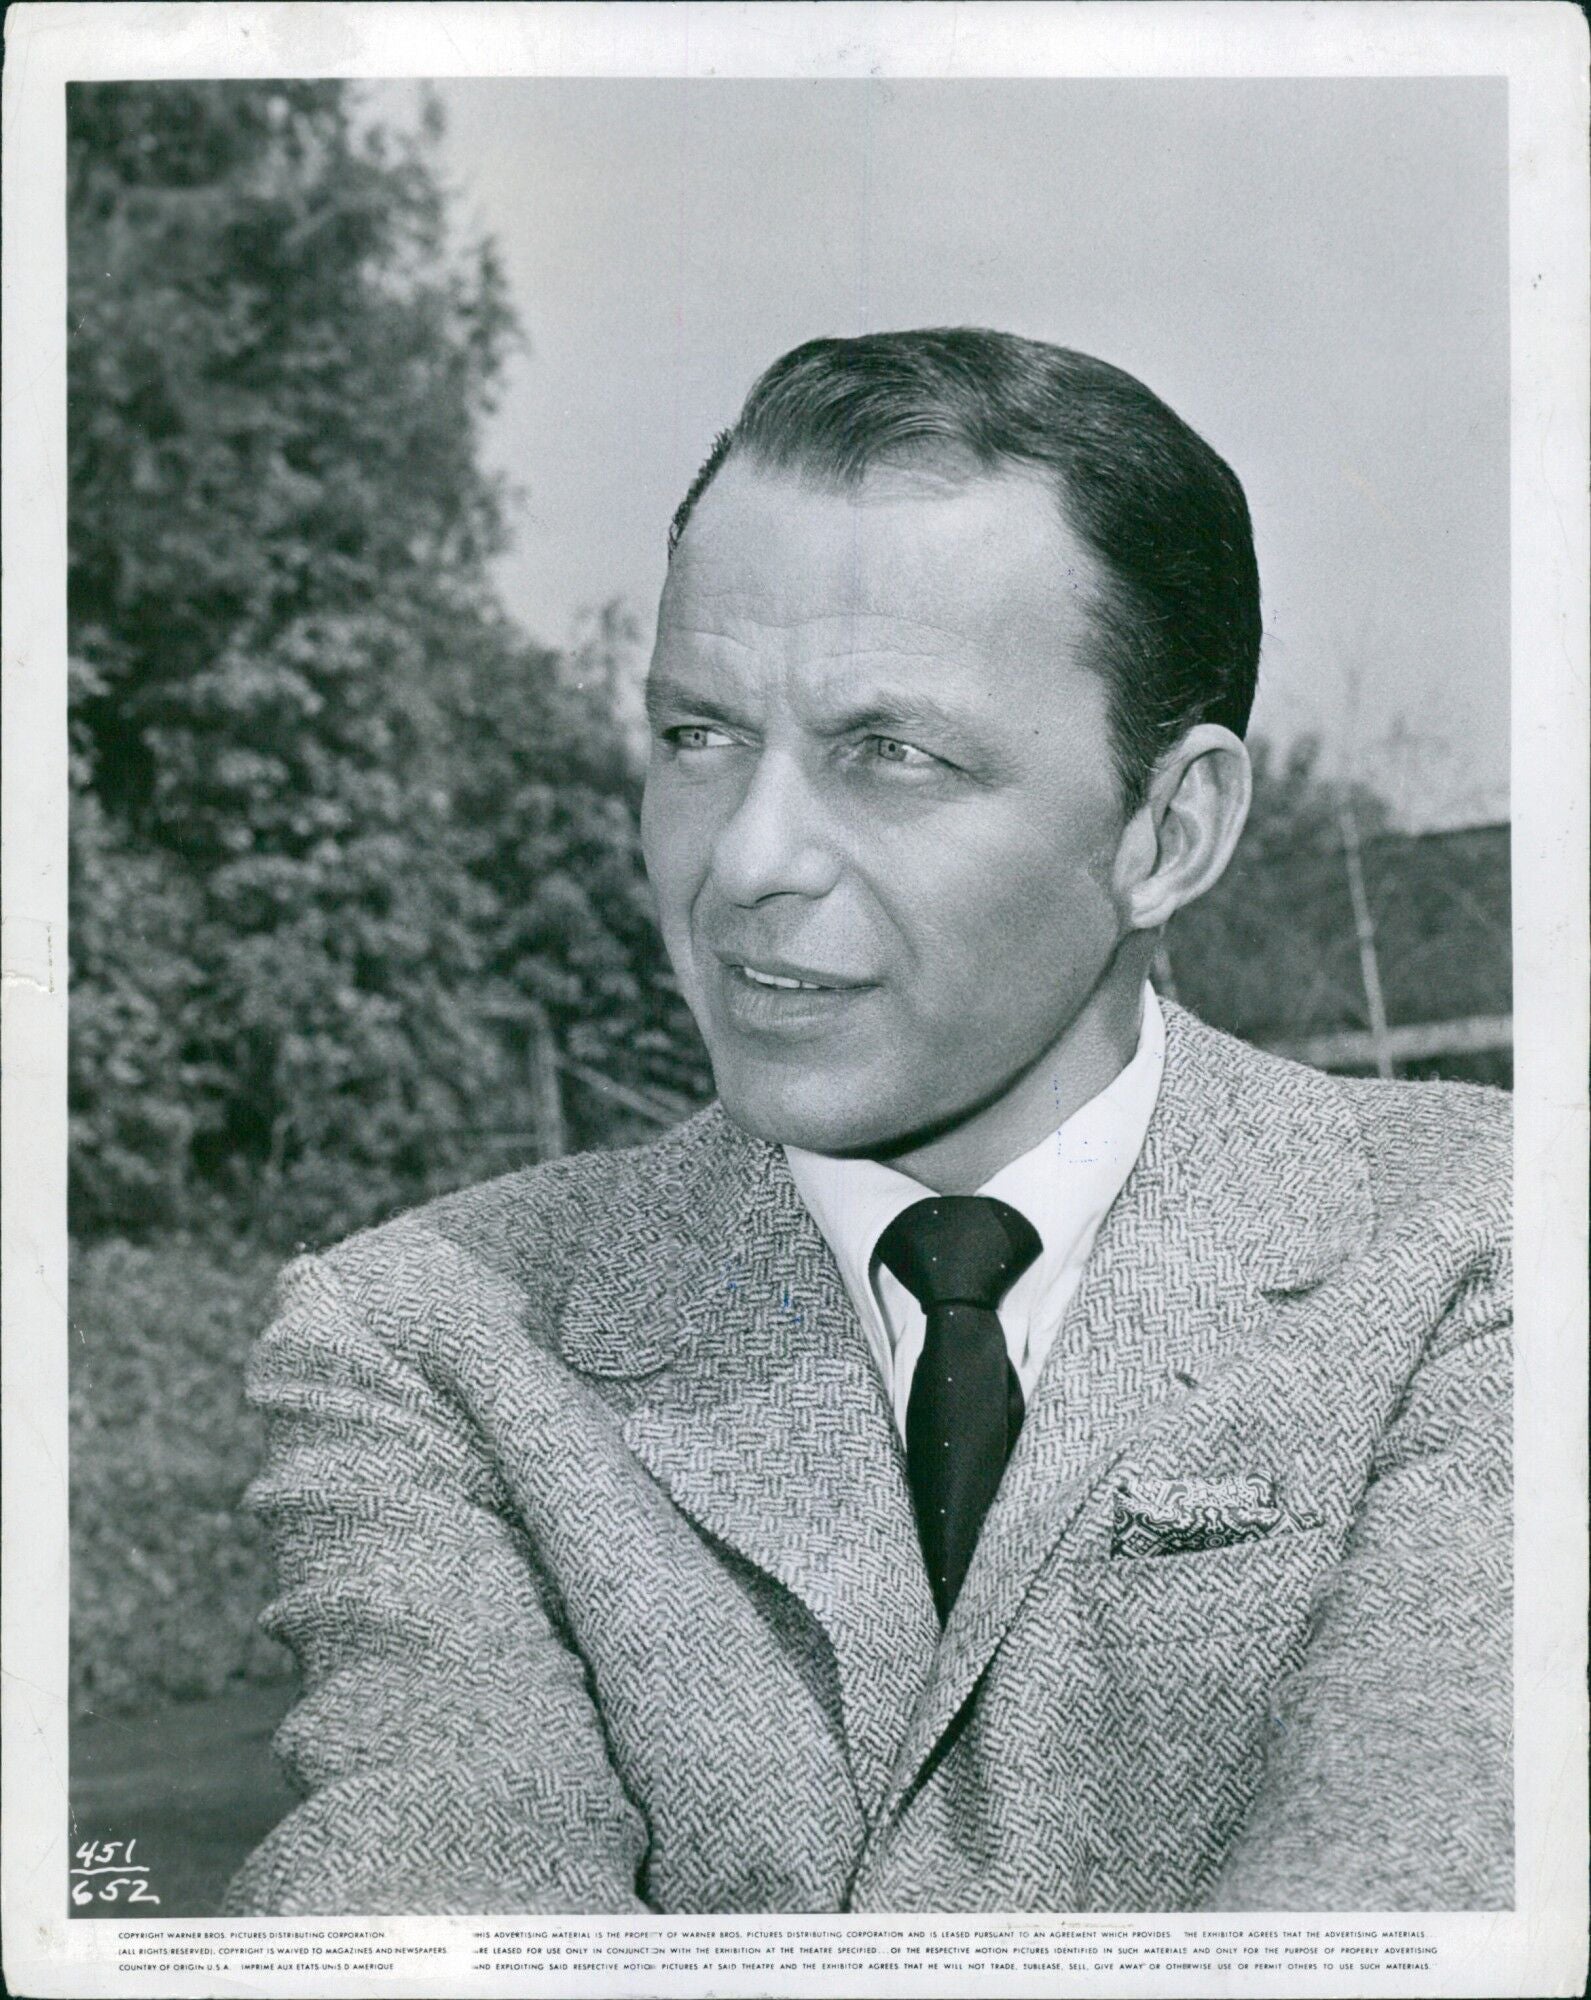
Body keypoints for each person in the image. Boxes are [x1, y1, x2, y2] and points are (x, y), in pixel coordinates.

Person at [225, 329, 1511, 1917]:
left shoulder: (1491, 1251)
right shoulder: (427, 1340)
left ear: (1168, 833)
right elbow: (431, 1911)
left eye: (890, 754)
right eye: (697, 736)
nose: (748, 857)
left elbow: (1429, 1900)